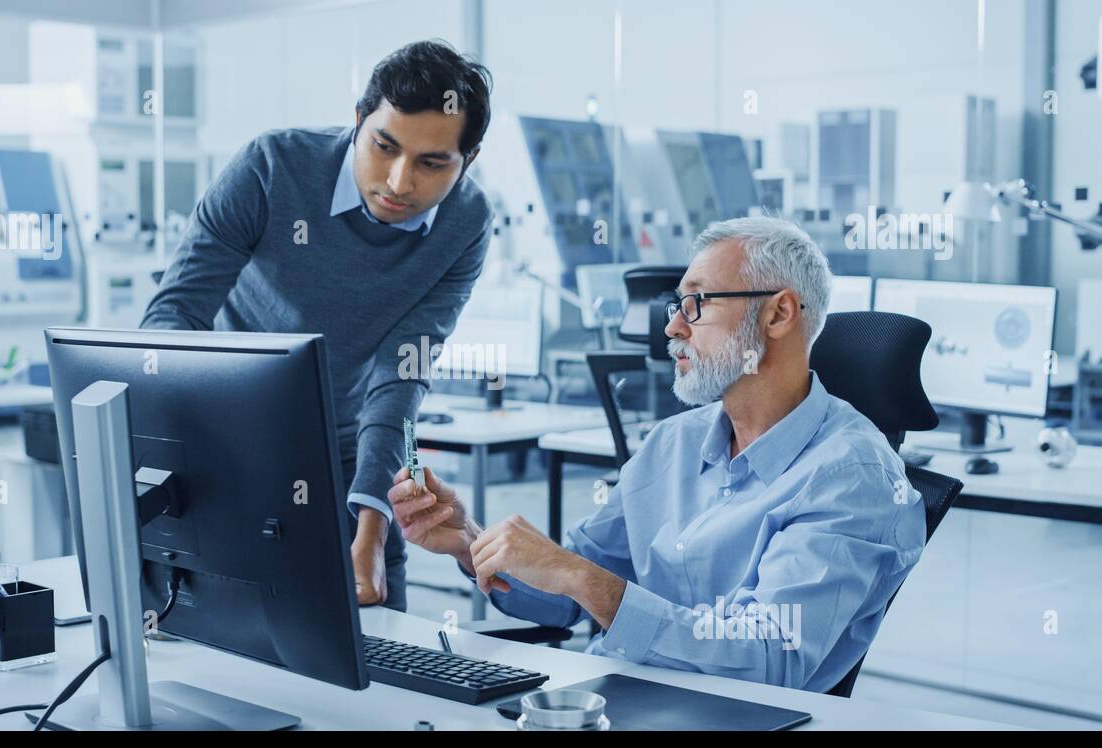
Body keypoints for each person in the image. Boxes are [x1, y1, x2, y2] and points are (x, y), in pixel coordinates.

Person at [389, 217, 927, 692]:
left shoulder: (850, 476)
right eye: (677, 305)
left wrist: (581, 577)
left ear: (778, 314)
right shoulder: (674, 442)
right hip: (609, 697)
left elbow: (766, 658)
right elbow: (565, 601)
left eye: (697, 303)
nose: (673, 327)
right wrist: (471, 544)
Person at [141, 40, 494, 611]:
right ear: (358, 122)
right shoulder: (273, 166)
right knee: (221, 655)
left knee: (376, 667)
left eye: (432, 163)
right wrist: (173, 452)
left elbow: (399, 378)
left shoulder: (467, 223)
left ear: (467, 161)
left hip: (351, 462)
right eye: (384, 147)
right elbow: (176, 314)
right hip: (222, 442)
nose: (400, 182)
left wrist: (371, 530)